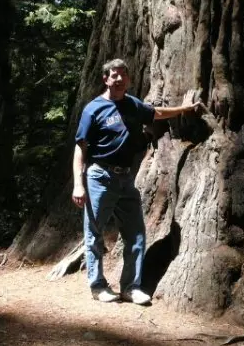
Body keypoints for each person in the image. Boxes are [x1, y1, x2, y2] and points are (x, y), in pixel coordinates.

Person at [72, 58, 200, 304]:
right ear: (105, 79)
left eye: (122, 75)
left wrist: (184, 109)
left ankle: (130, 287)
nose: (118, 79)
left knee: (136, 233)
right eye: (113, 75)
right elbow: (80, 150)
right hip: (99, 175)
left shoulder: (132, 104)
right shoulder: (93, 109)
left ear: (128, 79)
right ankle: (97, 286)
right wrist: (79, 184)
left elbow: (157, 113)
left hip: (125, 178)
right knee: (94, 232)